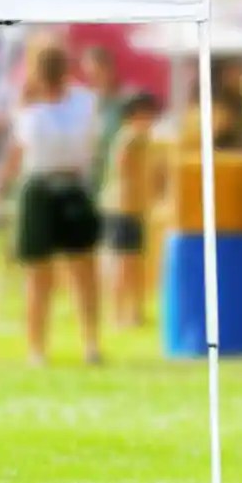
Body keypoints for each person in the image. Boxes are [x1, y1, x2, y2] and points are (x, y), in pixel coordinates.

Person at [6, 40, 102, 366]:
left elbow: (82, 142)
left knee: (82, 269)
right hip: (40, 185)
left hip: (71, 183)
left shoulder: (83, 102)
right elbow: (25, 143)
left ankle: (89, 343)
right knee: (39, 274)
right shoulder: (29, 107)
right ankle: (38, 348)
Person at [101, 92, 157, 329]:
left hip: (134, 208)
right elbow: (122, 167)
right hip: (123, 207)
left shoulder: (140, 138)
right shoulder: (130, 137)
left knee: (133, 262)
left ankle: (133, 312)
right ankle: (118, 313)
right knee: (123, 262)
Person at [80, 46, 126, 193]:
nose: (92, 79)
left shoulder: (124, 103)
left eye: (96, 73)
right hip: (92, 178)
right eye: (89, 74)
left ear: (109, 70)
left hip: (117, 178)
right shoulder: (86, 102)